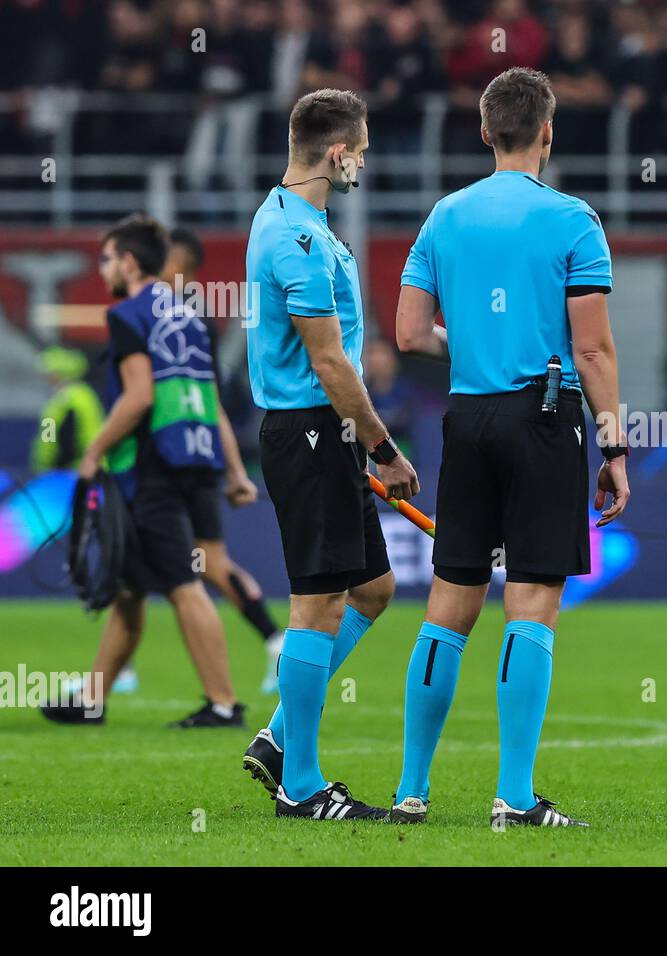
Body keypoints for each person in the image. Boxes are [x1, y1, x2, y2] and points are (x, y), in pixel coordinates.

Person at [389, 67, 628, 828]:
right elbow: (592, 351)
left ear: (486, 132)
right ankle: (515, 798)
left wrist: (473, 341)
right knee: (532, 604)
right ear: (548, 132)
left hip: (468, 418)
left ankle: (410, 792)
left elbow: (407, 335)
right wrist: (615, 447)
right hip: (543, 418)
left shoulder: (443, 217)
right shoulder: (573, 220)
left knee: (448, 606)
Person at [240, 88, 418, 822]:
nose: (366, 160)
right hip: (312, 432)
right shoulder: (298, 239)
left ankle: (281, 738)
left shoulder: (300, 221)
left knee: (373, 589)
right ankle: (302, 788)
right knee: (315, 606)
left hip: (322, 434)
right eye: (364, 148)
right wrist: (382, 448)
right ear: (338, 152)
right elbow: (330, 363)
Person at [40, 214, 244, 729]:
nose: (103, 267)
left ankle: (223, 705)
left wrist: (93, 453)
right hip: (195, 457)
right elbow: (211, 401)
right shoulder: (192, 318)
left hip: (152, 468)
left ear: (129, 262)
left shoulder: (129, 315)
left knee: (183, 583)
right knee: (130, 588)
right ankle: (93, 699)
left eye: (107, 258)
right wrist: (234, 470)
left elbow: (138, 398)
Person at [163, 228, 286, 695]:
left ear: (188, 268)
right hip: (189, 456)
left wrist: (232, 467)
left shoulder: (186, 319)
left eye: (167, 263)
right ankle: (273, 640)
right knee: (206, 563)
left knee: (195, 564)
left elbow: (210, 398)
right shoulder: (180, 316)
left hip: (181, 458)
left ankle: (261, 654)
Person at [30, 347, 103, 475]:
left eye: (48, 374)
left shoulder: (58, 404)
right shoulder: (87, 396)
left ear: (56, 374)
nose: (45, 378)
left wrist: (41, 468)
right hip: (92, 469)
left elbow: (48, 441)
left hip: (64, 475)